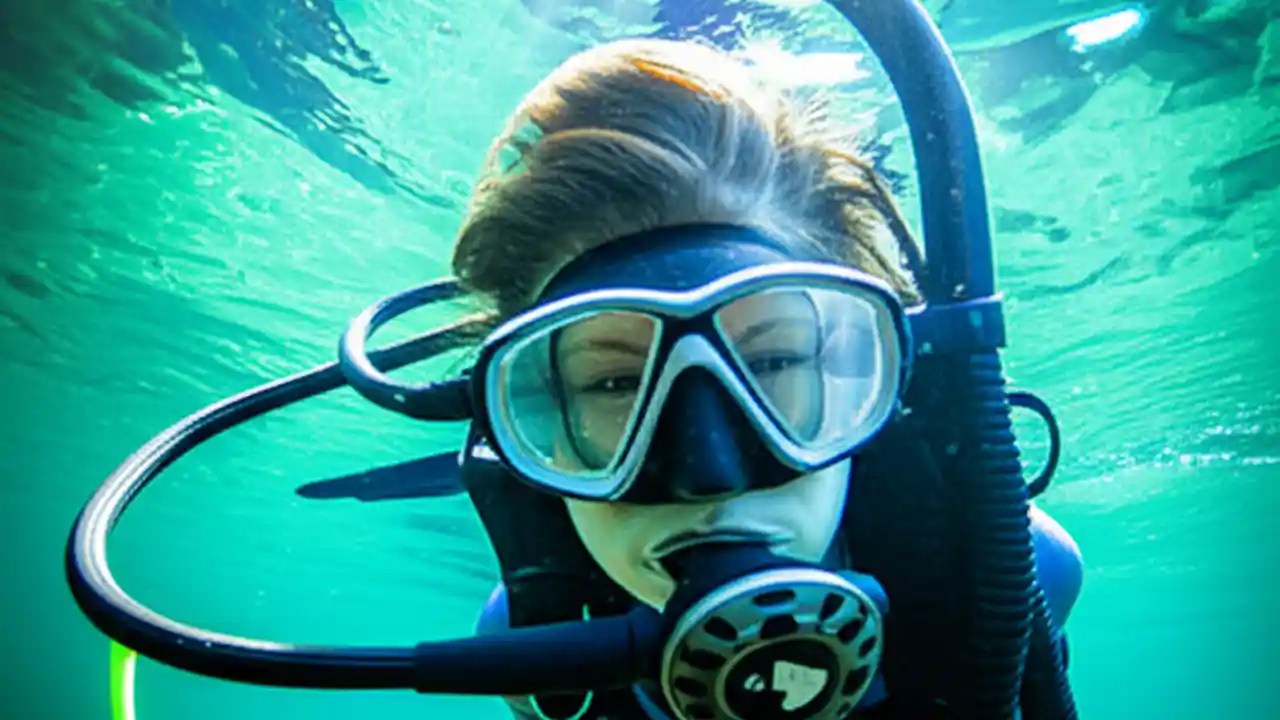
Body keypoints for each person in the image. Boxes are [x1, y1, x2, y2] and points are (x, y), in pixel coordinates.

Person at [455, 38, 1083, 719]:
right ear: (536, 422)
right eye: (614, 384)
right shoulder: (536, 653)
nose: (710, 477)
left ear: (862, 381)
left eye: (774, 363)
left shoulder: (1018, 579)